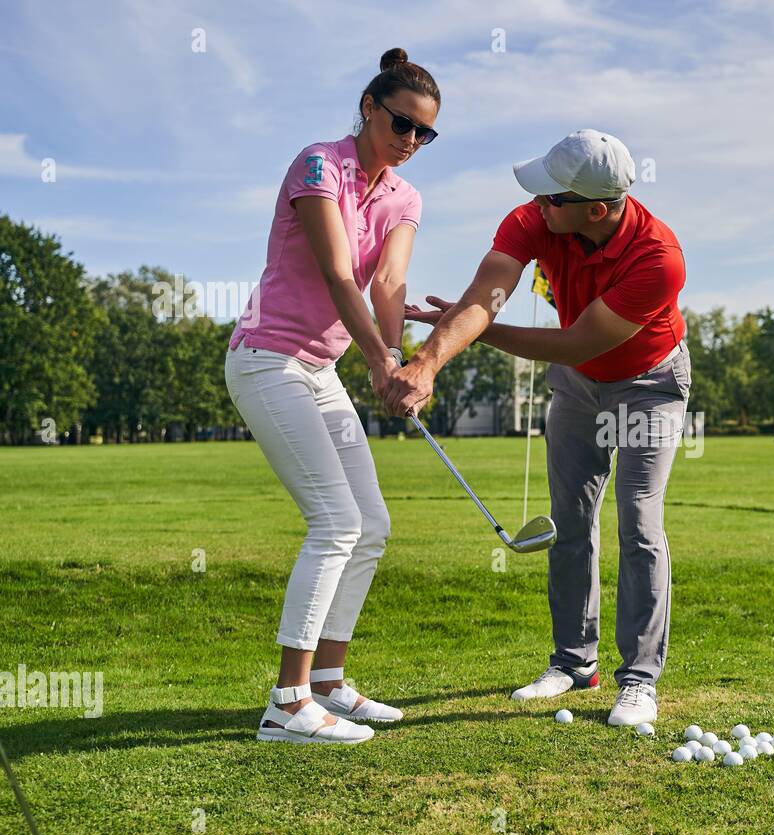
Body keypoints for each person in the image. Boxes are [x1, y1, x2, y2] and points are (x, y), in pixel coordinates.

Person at [391, 130, 690, 727]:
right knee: (570, 520)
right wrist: (427, 361)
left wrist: (476, 330)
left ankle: (639, 679)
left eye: (553, 198)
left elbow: (578, 341)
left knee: (639, 522)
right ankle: (575, 661)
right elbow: (487, 294)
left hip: (646, 385)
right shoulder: (537, 218)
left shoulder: (659, 258)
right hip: (576, 387)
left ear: (596, 209)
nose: (539, 205)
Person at [224, 48, 438, 744]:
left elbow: (387, 289)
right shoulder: (320, 164)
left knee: (370, 524)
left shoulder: (405, 197)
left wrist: (403, 364)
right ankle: (286, 703)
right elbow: (340, 274)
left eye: (424, 134)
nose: (409, 141)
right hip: (267, 361)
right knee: (335, 522)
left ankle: (327, 684)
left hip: (319, 371)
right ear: (370, 107)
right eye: (401, 123)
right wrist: (379, 365)